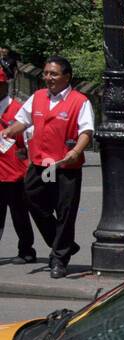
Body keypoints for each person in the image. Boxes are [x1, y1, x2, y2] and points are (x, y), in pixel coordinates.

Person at [0, 56, 93, 278]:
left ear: (66, 77)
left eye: (54, 74)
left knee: (64, 211)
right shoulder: (38, 97)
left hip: (64, 166)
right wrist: (11, 131)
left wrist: (76, 152)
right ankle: (63, 243)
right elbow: (24, 120)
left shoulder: (80, 101)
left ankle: (59, 258)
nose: (48, 78)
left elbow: (86, 132)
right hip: (42, 164)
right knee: (32, 198)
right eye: (46, 73)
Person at [0, 65, 36, 264]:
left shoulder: (18, 109)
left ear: (6, 85)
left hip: (15, 172)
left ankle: (26, 250)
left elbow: (30, 139)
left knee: (19, 213)